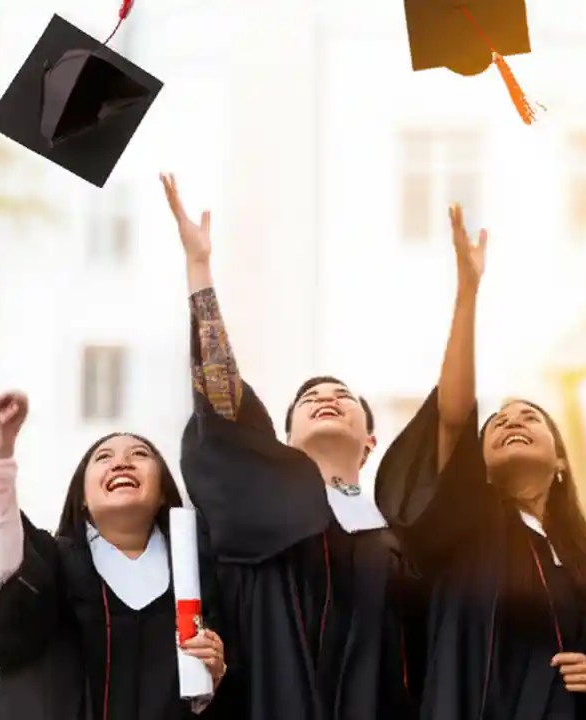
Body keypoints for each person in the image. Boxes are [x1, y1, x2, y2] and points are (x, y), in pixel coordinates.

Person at [374, 205, 586, 719]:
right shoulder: (462, 535)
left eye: (530, 416)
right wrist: (468, 293)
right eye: (498, 423)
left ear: (560, 459)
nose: (511, 421)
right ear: (480, 466)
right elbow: (453, 416)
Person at [164, 174, 422, 720]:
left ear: (370, 440)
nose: (325, 398)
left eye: (342, 397)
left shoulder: (400, 529)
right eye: (309, 398)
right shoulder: (261, 507)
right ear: (282, 441)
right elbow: (221, 399)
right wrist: (199, 271)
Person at [0, 391, 230, 720]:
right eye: (104, 457)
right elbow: (3, 558)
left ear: (163, 493)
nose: (122, 462)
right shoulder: (51, 562)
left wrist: (212, 677)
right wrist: (1, 456)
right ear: (83, 498)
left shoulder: (196, 577)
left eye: (140, 454)